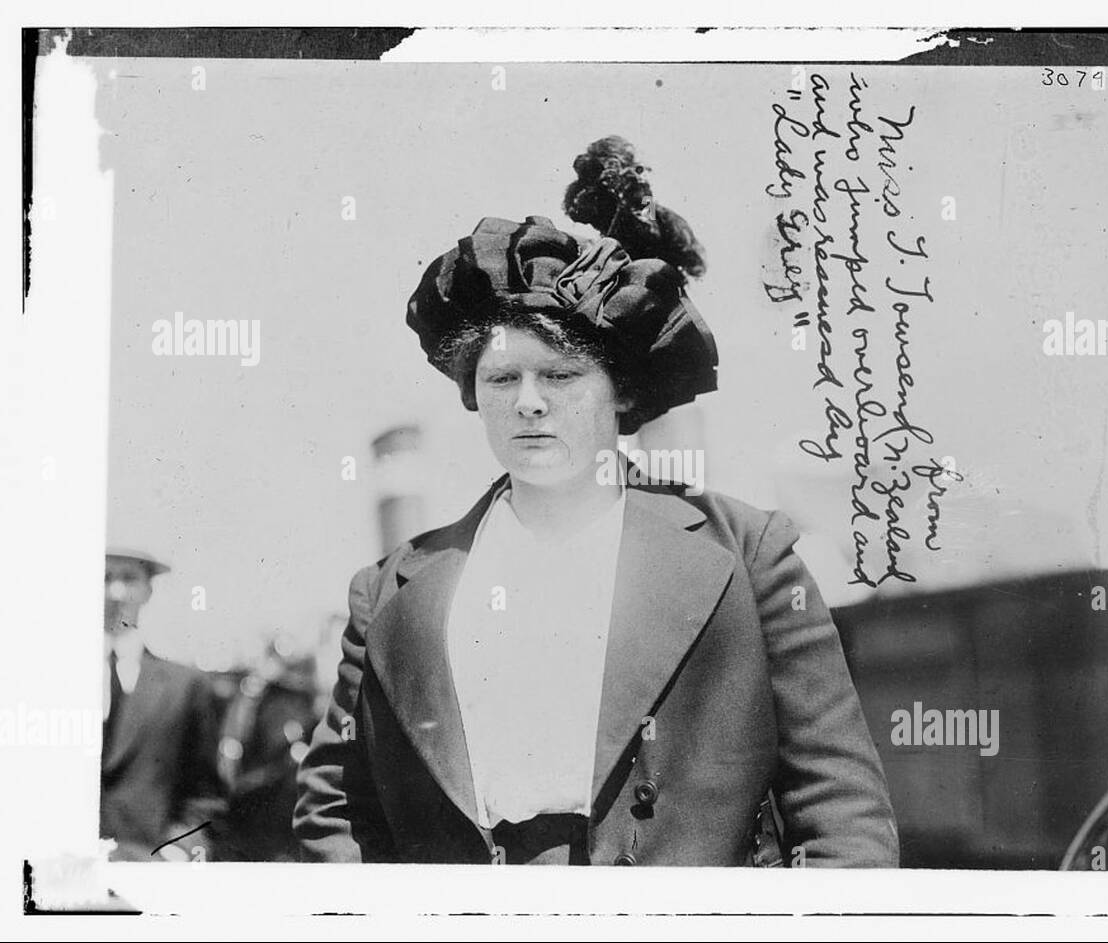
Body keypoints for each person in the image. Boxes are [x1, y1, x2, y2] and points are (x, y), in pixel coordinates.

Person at [294, 140, 897, 866]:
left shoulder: (748, 557)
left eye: (562, 376)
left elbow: (841, 813)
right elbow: (338, 812)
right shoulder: (392, 588)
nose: (529, 406)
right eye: (501, 380)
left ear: (623, 393)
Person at [101, 548, 225, 861]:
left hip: (147, 869)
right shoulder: (47, 677)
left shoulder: (185, 686)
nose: (115, 592)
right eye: (103, 578)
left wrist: (180, 850)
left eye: (129, 578)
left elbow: (205, 796)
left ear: (148, 590)